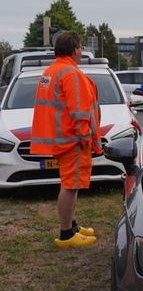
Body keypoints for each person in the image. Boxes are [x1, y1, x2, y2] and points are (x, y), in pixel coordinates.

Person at [30, 31, 102, 248]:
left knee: (71, 183)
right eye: (79, 48)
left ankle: (72, 226)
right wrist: (83, 137)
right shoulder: (70, 73)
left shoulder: (51, 71)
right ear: (75, 50)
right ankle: (66, 234)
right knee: (70, 185)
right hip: (72, 139)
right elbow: (79, 110)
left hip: (60, 137)